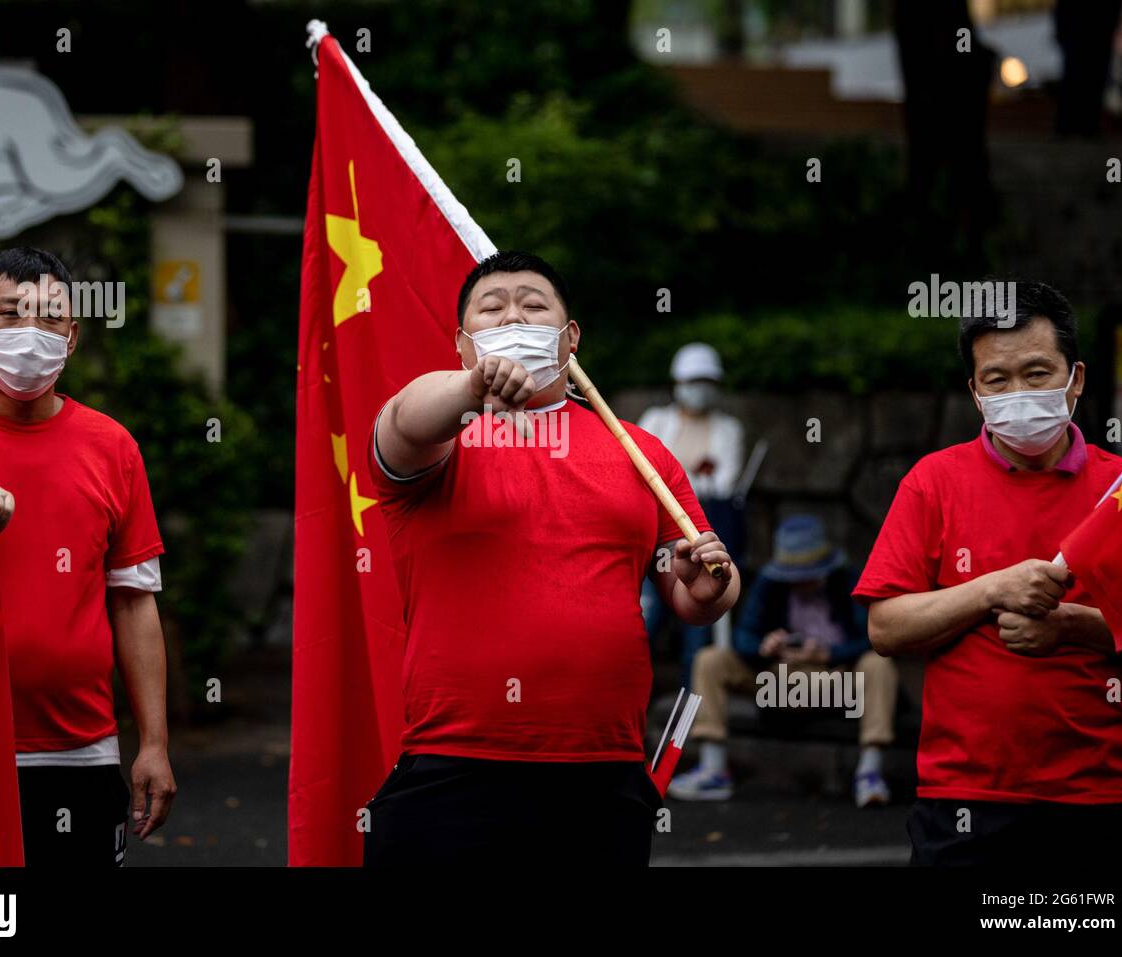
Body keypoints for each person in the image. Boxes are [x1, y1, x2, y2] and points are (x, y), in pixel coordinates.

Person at [362, 251, 740, 866]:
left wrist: (707, 585)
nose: (513, 314)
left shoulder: (638, 450)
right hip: (453, 764)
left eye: (533, 305)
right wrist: (472, 388)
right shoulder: (436, 439)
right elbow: (404, 418)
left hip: (605, 772)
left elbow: (700, 588)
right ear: (462, 343)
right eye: (493, 307)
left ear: (569, 339)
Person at [854, 280, 1122, 866]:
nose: (1017, 392)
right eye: (997, 379)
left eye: (1037, 374)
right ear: (975, 392)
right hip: (963, 801)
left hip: (1096, 799)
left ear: (1076, 379)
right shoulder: (933, 482)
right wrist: (990, 588)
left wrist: (1071, 626)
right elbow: (885, 628)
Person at [0, 247, 175, 866]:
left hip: (78, 753)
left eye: (50, 318)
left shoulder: (112, 447)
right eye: (11, 314)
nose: (30, 334)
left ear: (73, 334)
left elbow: (134, 602)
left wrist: (154, 744)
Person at [669, 515, 898, 807]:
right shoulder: (770, 585)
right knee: (711, 659)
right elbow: (744, 636)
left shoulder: (847, 581)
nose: (800, 583)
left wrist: (827, 654)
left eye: (808, 576)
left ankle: (870, 772)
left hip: (834, 680)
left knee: (878, 665)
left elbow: (874, 637)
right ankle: (713, 768)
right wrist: (765, 647)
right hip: (777, 680)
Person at [638, 343, 745, 688]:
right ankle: (641, 700)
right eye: (692, 380)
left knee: (696, 630)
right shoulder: (655, 420)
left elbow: (725, 483)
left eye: (705, 381)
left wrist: (681, 476)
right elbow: (638, 468)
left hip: (699, 541)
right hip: (655, 539)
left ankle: (688, 711)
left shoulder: (729, 429)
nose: (698, 388)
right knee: (644, 621)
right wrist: (693, 474)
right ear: (677, 381)